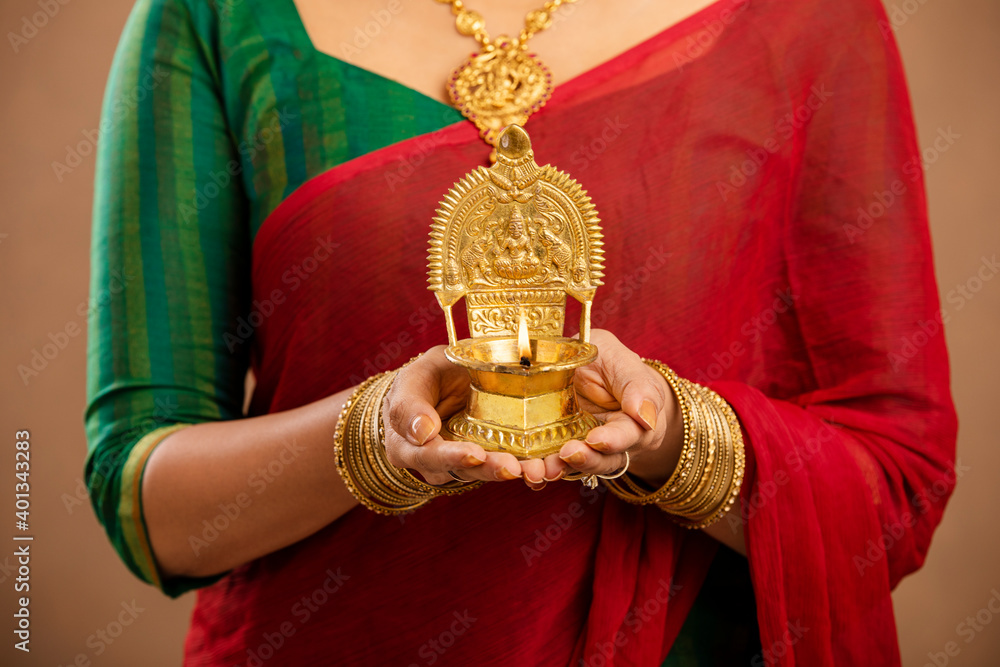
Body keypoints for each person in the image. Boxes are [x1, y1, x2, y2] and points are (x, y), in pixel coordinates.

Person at [85, 0, 957, 664]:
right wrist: (374, 435)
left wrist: (672, 438)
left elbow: (894, 495)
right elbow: (147, 502)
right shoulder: (216, 18)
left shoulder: (808, 20)